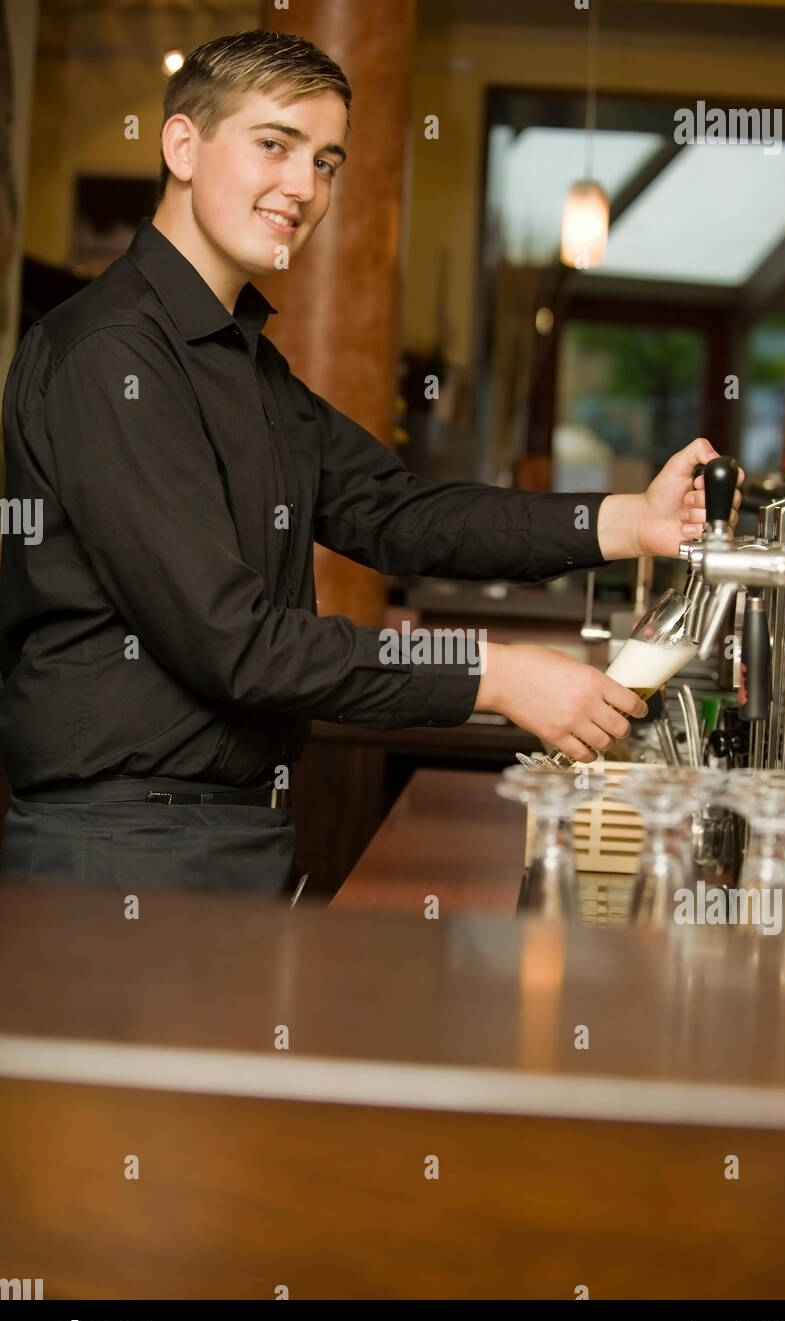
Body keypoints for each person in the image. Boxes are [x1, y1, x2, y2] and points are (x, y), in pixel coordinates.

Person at [0, 30, 742, 897]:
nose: (303, 187)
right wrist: (493, 675)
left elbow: (398, 512)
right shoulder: (113, 355)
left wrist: (627, 521)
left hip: (219, 830)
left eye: (326, 161)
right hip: (122, 845)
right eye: (274, 145)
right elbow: (232, 643)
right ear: (183, 146)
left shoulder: (241, 362)